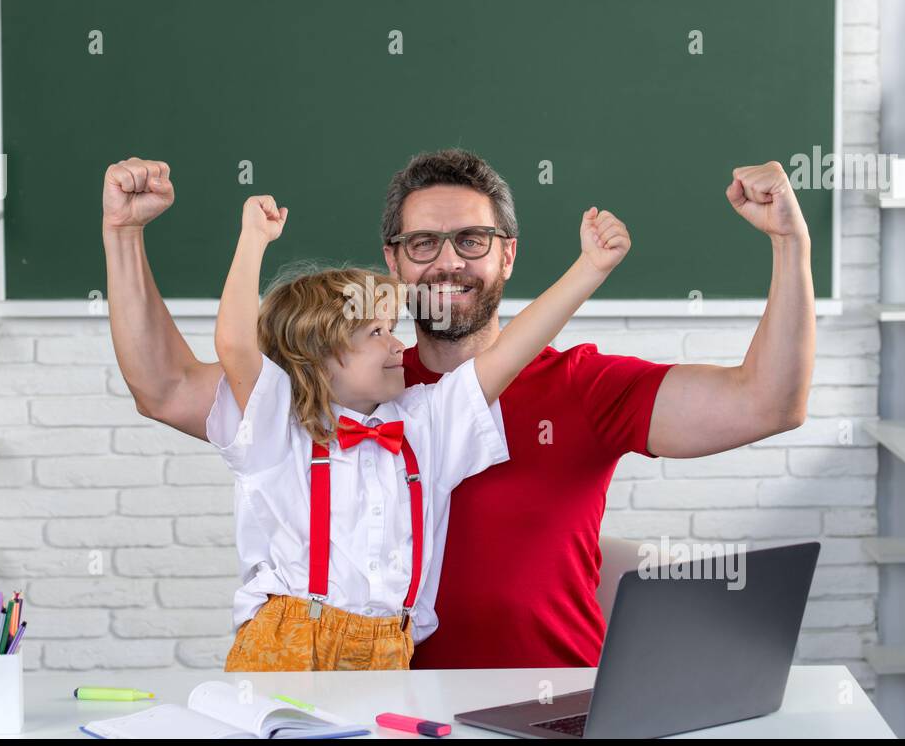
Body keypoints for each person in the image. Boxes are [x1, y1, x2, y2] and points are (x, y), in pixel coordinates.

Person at [102, 148, 814, 668]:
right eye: (423, 243)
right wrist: (125, 235)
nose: (448, 262)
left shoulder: (581, 385)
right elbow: (163, 387)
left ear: (507, 257)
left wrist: (791, 243)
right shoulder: (337, 390)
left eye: (472, 241)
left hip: (552, 710)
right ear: (394, 261)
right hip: (381, 712)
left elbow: (768, 404)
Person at [210, 192, 629, 670]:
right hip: (287, 646)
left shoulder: (425, 423)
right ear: (321, 358)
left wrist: (590, 268)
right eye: (376, 333)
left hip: (390, 650)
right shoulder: (275, 427)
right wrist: (253, 240)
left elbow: (510, 352)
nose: (397, 344)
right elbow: (234, 343)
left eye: (393, 327)